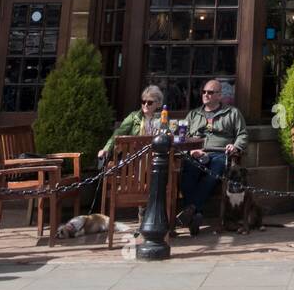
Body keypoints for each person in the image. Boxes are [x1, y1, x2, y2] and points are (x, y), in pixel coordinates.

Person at [177, 79, 248, 236]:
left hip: (220, 153)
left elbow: (242, 134)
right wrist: (191, 151)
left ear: (219, 95)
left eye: (210, 92)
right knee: (188, 173)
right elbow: (183, 137)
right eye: (204, 92)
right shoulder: (193, 114)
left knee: (213, 173)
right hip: (197, 152)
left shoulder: (232, 113)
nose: (206, 95)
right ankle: (195, 213)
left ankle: (191, 211)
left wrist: (235, 146)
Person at [98, 85, 164, 161]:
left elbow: (168, 137)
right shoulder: (134, 117)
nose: (145, 105)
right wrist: (106, 149)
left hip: (154, 158)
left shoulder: (161, 119)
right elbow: (117, 133)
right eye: (143, 102)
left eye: (149, 102)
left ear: (158, 104)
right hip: (134, 158)